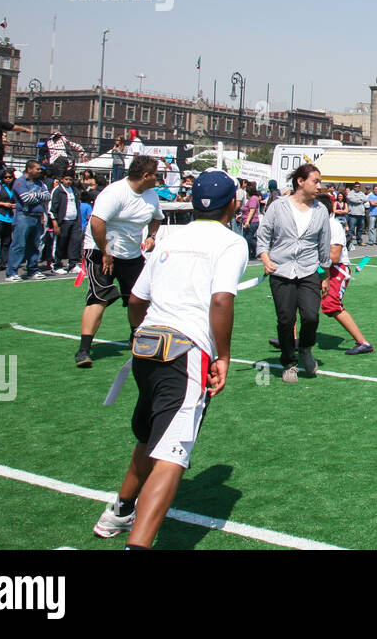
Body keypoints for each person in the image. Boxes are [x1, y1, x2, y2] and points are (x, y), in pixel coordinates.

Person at [91, 171, 248, 547]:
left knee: (150, 437)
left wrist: (140, 332)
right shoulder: (231, 242)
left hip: (148, 345)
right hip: (186, 349)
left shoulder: (170, 238)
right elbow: (221, 300)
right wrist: (223, 356)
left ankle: (120, 511)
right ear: (233, 204)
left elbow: (136, 299)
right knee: (174, 452)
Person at [74, 155, 164, 367]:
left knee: (138, 298)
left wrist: (151, 236)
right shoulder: (115, 192)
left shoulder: (151, 195)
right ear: (145, 176)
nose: (158, 179)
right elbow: (97, 223)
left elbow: (157, 218)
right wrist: (106, 252)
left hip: (131, 255)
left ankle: (137, 337)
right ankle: (84, 351)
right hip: (100, 250)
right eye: (156, 175)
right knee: (99, 298)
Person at [257, 163, 332, 383]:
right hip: (281, 270)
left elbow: (323, 246)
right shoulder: (278, 206)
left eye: (320, 182)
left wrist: (325, 275)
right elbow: (263, 236)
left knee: (311, 315)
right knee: (286, 319)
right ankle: (289, 362)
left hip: (309, 270)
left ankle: (306, 348)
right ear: (300, 181)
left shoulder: (321, 211)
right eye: (315, 181)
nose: (320, 186)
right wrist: (265, 259)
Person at [316, 193, 373, 355]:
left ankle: (363, 342)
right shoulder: (315, 224)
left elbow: (334, 257)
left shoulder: (333, 226)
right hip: (319, 267)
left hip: (335, 269)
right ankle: (291, 340)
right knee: (297, 298)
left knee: (331, 305)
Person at [5, 160, 52, 281]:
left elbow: (48, 196)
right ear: (29, 169)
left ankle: (33, 270)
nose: (40, 171)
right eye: (37, 169)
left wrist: (35, 196)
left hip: (36, 216)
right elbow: (26, 199)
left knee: (34, 245)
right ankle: (12, 272)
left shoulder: (40, 182)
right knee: (19, 244)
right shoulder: (20, 182)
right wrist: (39, 196)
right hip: (23, 216)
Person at [47, 171, 83, 274]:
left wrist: (78, 221)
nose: (68, 182)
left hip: (74, 220)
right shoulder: (57, 191)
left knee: (75, 242)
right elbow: (52, 208)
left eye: (70, 180)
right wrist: (55, 223)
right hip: (62, 221)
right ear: (62, 179)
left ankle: (73, 264)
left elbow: (77, 205)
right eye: (66, 179)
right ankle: (56, 264)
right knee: (60, 243)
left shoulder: (74, 190)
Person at [0, 168, 17, 267]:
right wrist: (4, 204)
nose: (8, 179)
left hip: (9, 217)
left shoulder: (14, 188)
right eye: (5, 177)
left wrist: (14, 205)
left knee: (7, 240)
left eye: (10, 177)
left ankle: (4, 261)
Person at [240, 184, 262, 258]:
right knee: (249, 238)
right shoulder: (252, 199)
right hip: (250, 221)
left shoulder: (253, 199)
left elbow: (252, 211)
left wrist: (247, 221)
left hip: (252, 222)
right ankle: (252, 253)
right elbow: (247, 210)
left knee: (248, 238)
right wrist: (241, 216)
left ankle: (259, 250)